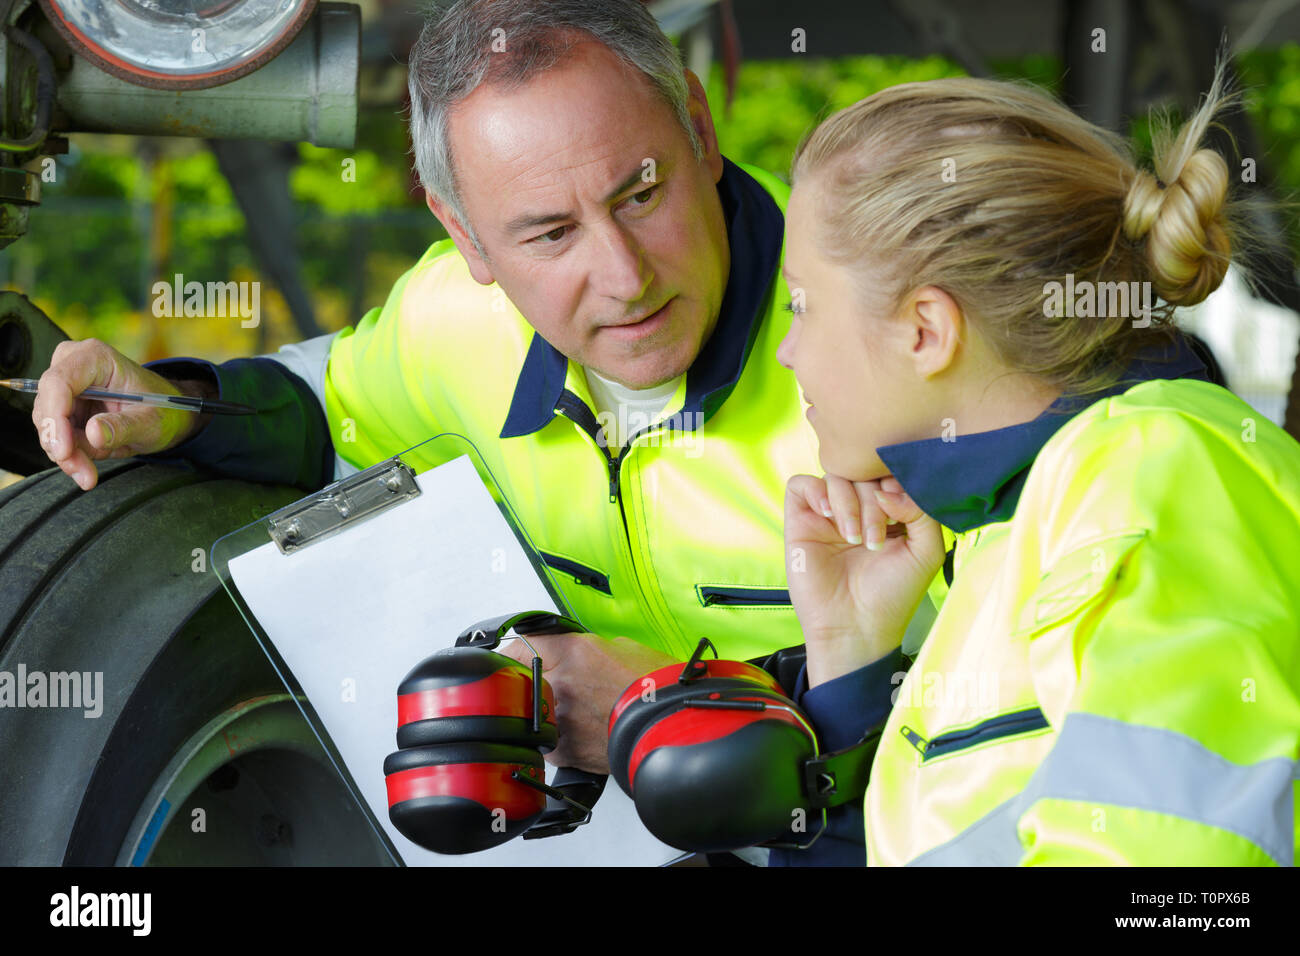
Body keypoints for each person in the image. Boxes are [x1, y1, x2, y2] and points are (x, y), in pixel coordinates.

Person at [28, 0, 827, 779]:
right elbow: (327, 409)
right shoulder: (453, 319)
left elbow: (947, 707)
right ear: (464, 234)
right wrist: (178, 409)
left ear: (700, 127)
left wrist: (656, 708)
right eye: (551, 233)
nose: (624, 279)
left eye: (641, 195)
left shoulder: (887, 337)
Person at [776, 70, 1300, 864]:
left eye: (802, 305)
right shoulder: (1012, 525)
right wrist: (851, 660)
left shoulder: (1152, 475)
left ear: (925, 330)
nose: (785, 351)